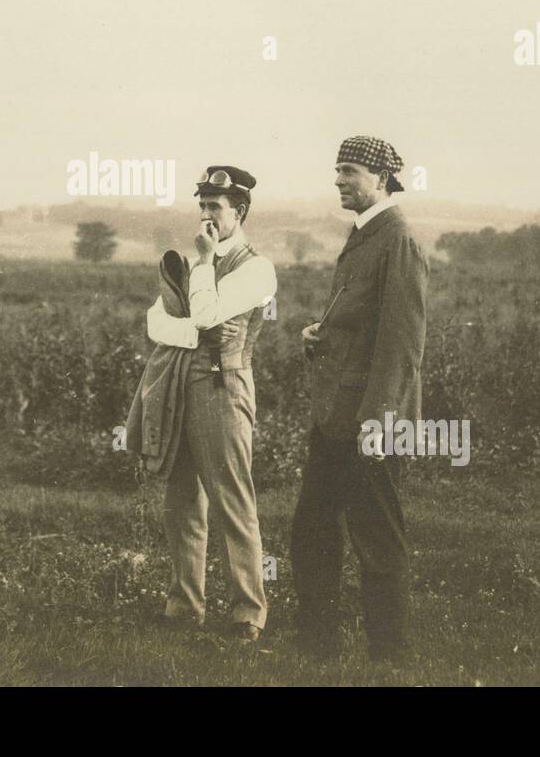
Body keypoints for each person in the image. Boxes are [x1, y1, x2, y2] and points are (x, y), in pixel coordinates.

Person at [291, 136, 428, 663]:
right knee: (313, 527)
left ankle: (390, 654)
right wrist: (318, 336)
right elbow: (361, 323)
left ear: (381, 178)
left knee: (377, 536)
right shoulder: (367, 235)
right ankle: (317, 644)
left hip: (369, 420)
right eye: (337, 170)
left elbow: (402, 345)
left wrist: (378, 423)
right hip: (337, 416)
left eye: (349, 171)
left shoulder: (398, 240)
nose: (339, 181)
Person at [142, 166, 277, 643]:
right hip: (183, 384)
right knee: (182, 499)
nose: (206, 216)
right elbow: (156, 324)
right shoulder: (186, 262)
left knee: (231, 499)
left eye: (215, 207)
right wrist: (195, 330)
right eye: (202, 206)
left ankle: (248, 613)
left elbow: (204, 311)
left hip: (225, 388)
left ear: (239, 212)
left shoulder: (257, 268)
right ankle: (184, 604)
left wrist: (202, 274)